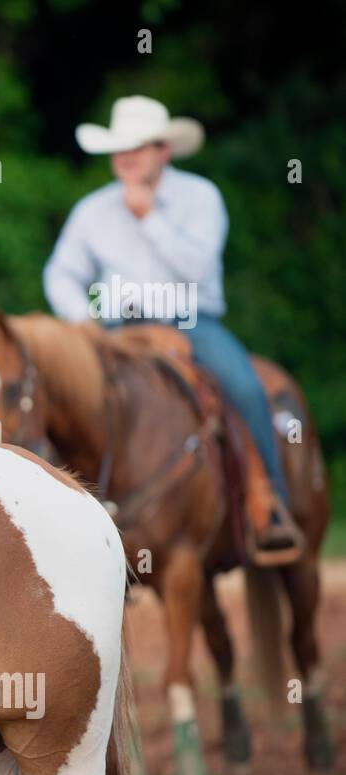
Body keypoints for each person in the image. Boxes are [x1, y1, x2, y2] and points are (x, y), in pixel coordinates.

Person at [43, 95, 302, 560]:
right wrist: (81, 320)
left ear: (164, 150)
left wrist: (150, 219)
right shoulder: (92, 211)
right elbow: (61, 272)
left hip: (191, 325)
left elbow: (199, 268)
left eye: (138, 147)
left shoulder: (200, 197)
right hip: (116, 332)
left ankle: (269, 505)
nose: (126, 156)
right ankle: (64, 529)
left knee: (243, 386)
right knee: (64, 397)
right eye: (120, 147)